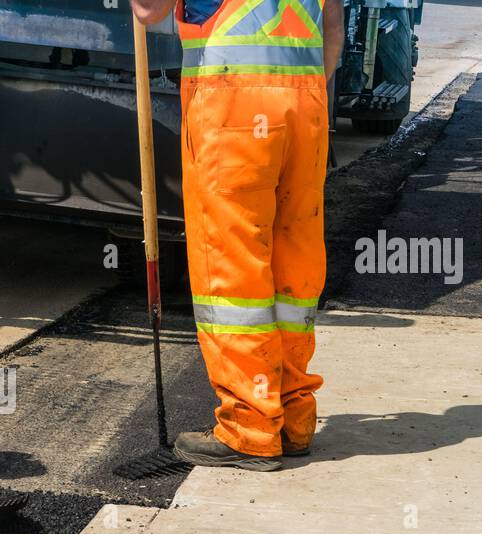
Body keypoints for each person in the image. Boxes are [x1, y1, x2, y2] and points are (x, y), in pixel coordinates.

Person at [132, 0, 344, 471]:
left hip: (234, 108)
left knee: (232, 265)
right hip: (306, 106)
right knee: (295, 262)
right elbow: (333, 25)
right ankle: (292, 418)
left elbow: (148, 10)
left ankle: (250, 427)